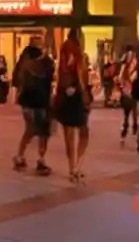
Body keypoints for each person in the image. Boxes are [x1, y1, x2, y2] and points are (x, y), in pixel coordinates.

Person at [11, 35, 53, 176]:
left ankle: (23, 156)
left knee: (34, 130)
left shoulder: (25, 60)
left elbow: (16, 79)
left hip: (31, 100)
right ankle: (37, 158)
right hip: (38, 100)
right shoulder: (45, 61)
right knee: (39, 131)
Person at [55, 30, 91, 183]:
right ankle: (75, 166)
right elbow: (80, 75)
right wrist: (83, 92)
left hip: (63, 95)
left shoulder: (63, 52)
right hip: (75, 95)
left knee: (69, 134)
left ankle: (73, 167)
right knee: (82, 133)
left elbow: (61, 74)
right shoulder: (76, 54)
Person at [118, 44, 138, 142]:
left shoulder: (125, 59)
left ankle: (125, 128)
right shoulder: (135, 59)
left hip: (126, 88)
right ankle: (134, 125)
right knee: (134, 108)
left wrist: (121, 85)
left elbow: (120, 76)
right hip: (133, 88)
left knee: (126, 112)